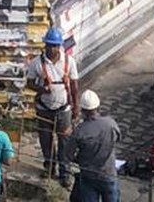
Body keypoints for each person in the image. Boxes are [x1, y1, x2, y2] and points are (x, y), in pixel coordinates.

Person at [28, 26, 78, 186]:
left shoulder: (69, 62)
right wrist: (42, 89)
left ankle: (65, 172)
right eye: (49, 45)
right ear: (45, 45)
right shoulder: (36, 63)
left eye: (55, 45)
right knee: (46, 139)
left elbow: (75, 86)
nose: (52, 48)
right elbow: (29, 83)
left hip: (63, 109)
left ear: (60, 46)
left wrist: (76, 107)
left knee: (65, 141)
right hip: (44, 109)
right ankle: (49, 167)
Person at [65, 89, 122, 202]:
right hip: (108, 174)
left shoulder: (80, 131)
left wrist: (80, 160)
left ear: (83, 110)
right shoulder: (110, 124)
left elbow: (68, 154)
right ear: (98, 107)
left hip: (88, 176)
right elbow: (118, 138)